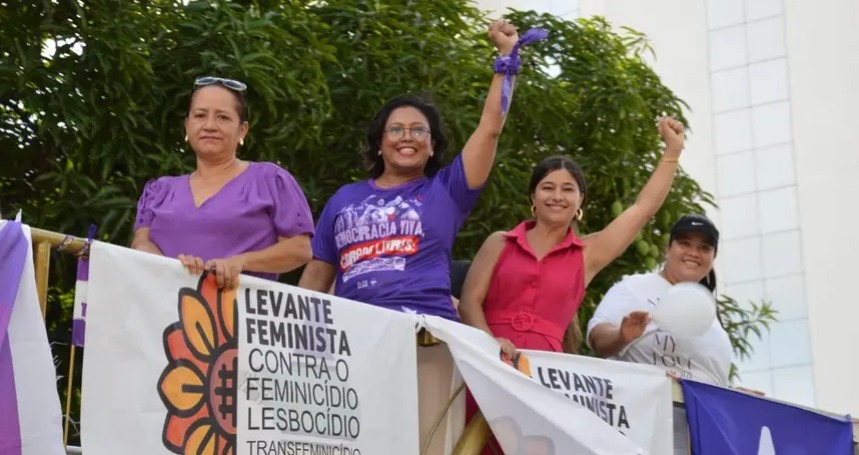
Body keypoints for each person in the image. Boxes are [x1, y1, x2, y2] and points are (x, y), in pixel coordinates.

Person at [298, 20, 531, 320]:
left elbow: (489, 129)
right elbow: (315, 279)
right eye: (395, 130)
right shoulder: (343, 199)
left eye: (418, 130)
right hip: (354, 335)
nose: (407, 136)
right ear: (379, 144)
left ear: (432, 146)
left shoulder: (448, 191)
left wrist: (507, 57)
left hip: (426, 333)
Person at [459, 117, 687, 355]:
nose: (557, 196)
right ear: (533, 198)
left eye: (568, 189)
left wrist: (672, 152)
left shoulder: (587, 254)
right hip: (485, 360)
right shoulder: (499, 242)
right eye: (547, 187)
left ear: (580, 201)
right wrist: (490, 346)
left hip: (545, 371)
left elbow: (643, 209)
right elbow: (469, 302)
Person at [131, 76, 314, 288]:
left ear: (242, 130)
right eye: (200, 115)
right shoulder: (159, 190)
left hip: (239, 313)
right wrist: (176, 268)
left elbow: (300, 249)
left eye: (223, 117)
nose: (210, 125)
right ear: (187, 127)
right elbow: (140, 244)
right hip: (163, 312)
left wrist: (240, 262)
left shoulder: (270, 180)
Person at [587, 214, 732, 386]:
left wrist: (735, 396)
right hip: (647, 407)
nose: (694, 253)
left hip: (701, 411)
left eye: (704, 248)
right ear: (667, 249)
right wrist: (621, 336)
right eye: (685, 243)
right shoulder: (635, 287)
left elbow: (712, 381)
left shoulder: (712, 318)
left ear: (713, 258)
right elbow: (597, 337)